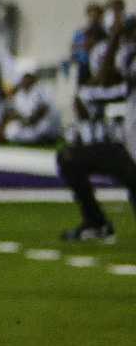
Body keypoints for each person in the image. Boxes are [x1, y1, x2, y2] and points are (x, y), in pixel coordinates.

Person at [55, 32, 135, 242]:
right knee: (68, 158)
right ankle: (95, 221)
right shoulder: (96, 90)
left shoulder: (121, 80)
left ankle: (95, 222)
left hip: (122, 149)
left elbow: (106, 75)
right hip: (117, 149)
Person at [0, 63, 59, 147]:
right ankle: (31, 140)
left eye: (26, 77)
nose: (23, 80)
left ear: (32, 77)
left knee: (43, 128)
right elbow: (11, 112)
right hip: (25, 124)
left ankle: (44, 140)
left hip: (40, 123)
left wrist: (26, 120)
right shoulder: (19, 93)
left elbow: (41, 112)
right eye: (22, 77)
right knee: (11, 131)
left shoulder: (43, 89)